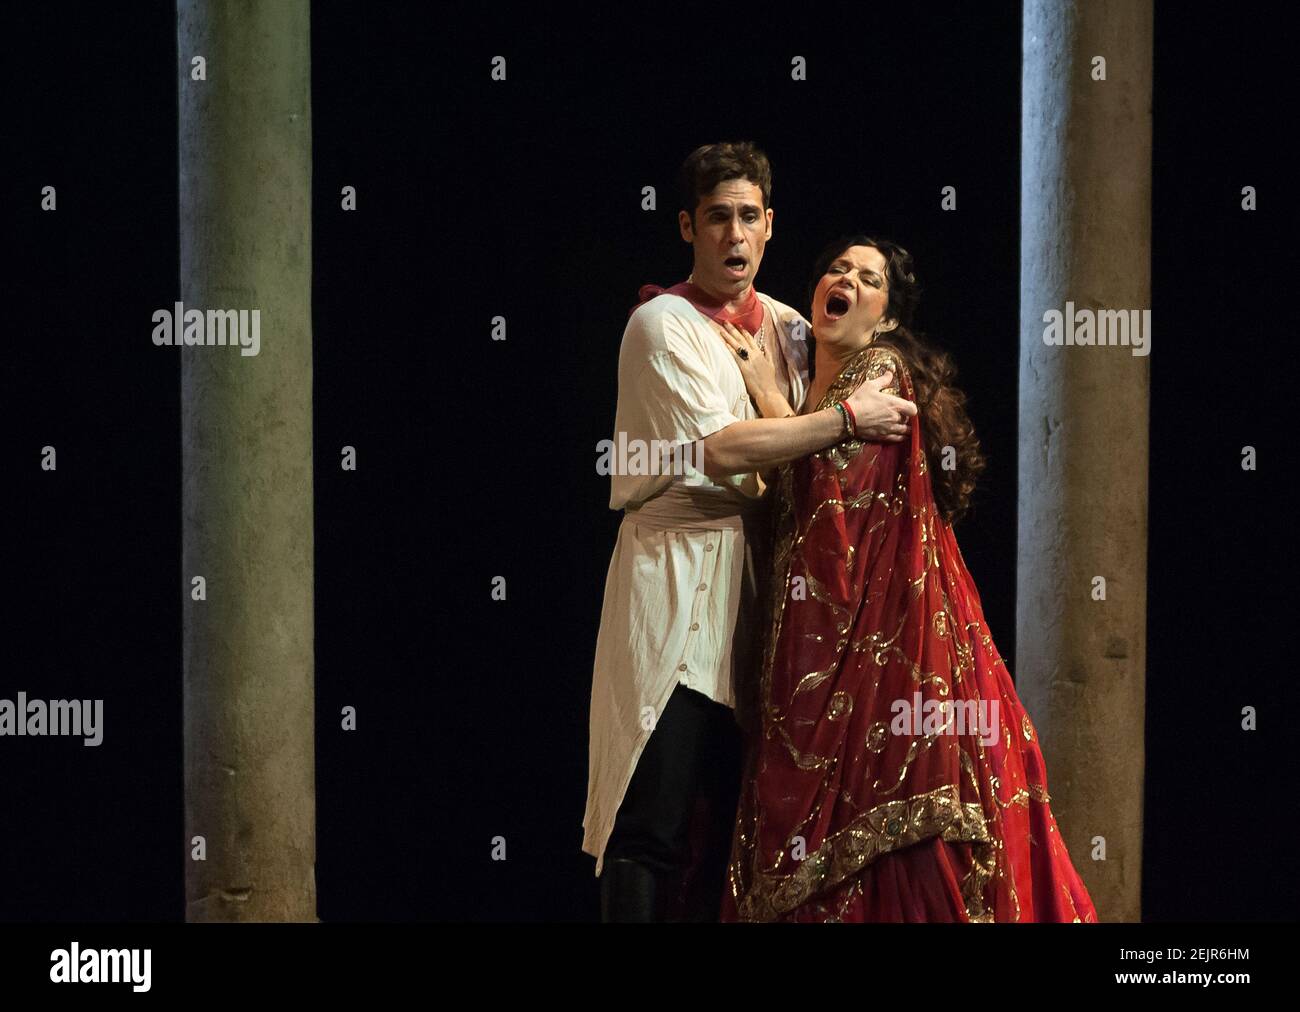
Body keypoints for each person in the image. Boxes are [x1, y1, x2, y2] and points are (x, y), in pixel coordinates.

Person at [714, 236, 1099, 922]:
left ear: (887, 316)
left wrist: (771, 401)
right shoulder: (825, 394)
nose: (846, 280)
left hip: (886, 666)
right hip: (823, 661)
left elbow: (835, 499)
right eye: (837, 268)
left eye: (868, 278)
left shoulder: (879, 371)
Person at [583, 147, 918, 922]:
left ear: (769, 226)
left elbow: (853, 392)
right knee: (650, 824)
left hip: (768, 596)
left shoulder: (793, 329)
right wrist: (840, 419)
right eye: (716, 217)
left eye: (748, 217)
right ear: (687, 228)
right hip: (674, 579)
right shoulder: (661, 324)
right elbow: (725, 446)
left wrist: (874, 384)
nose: (733, 234)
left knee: (741, 834)